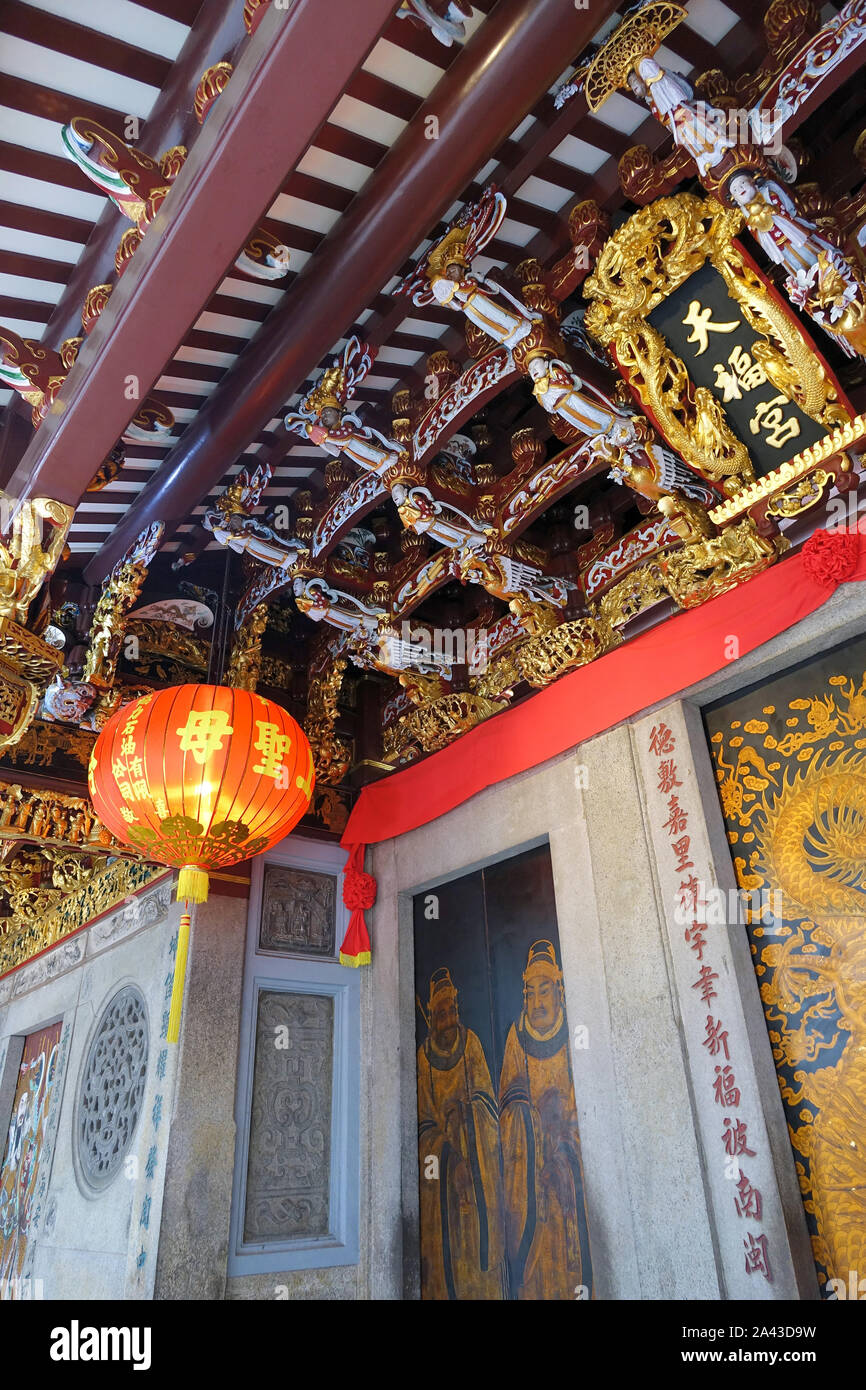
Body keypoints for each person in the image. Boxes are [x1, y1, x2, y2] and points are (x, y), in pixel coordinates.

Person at [498, 940, 593, 1298]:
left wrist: (564, 1144)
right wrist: (530, 1125)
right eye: (531, 993)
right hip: (530, 1181)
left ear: (559, 992)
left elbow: (592, 1101)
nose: (538, 1002)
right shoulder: (516, 1038)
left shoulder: (575, 1033)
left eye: (545, 991)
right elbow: (506, 1107)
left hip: (571, 1175)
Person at [417, 968, 506, 1299]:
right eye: (441, 1014)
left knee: (480, 1255)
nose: (448, 1019)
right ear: (431, 1016)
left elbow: (489, 1103)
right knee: (448, 1257)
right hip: (442, 1179)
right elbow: (423, 1123)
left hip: (479, 1164)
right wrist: (448, 1154)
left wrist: (468, 1113)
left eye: (452, 1011)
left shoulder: (472, 1045)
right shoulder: (423, 1060)